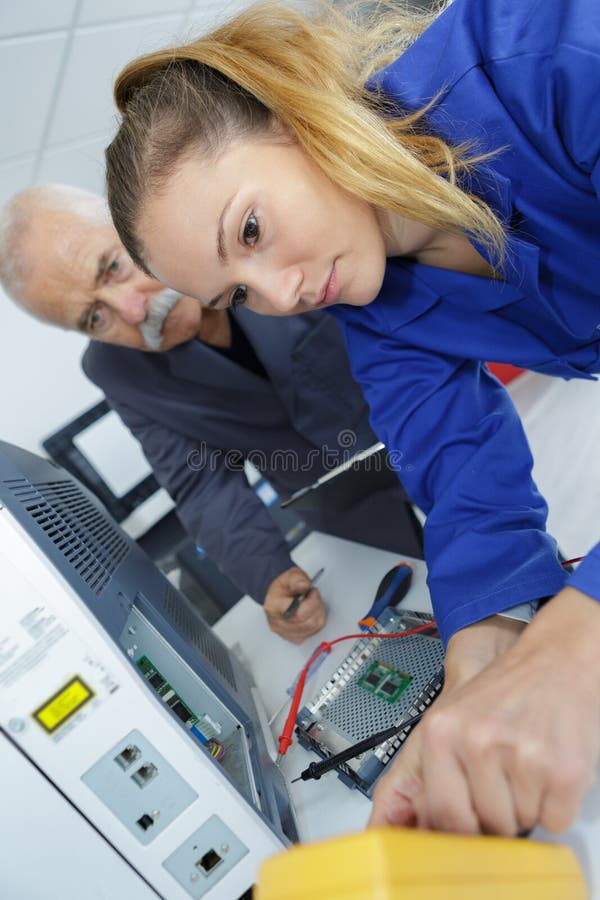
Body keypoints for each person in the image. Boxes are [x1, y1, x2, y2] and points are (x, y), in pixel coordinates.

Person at [103, 0, 600, 838]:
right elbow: (461, 477)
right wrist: (482, 653)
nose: (280, 295)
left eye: (251, 229)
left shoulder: (553, 57)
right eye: (237, 292)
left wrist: (576, 642)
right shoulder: (377, 308)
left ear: (293, 107)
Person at [0, 183, 424, 644]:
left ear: (134, 223)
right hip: (358, 525)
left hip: (442, 439)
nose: (132, 309)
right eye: (94, 318)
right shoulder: (116, 370)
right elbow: (201, 483)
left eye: (114, 267)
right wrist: (268, 573)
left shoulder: (251, 228)